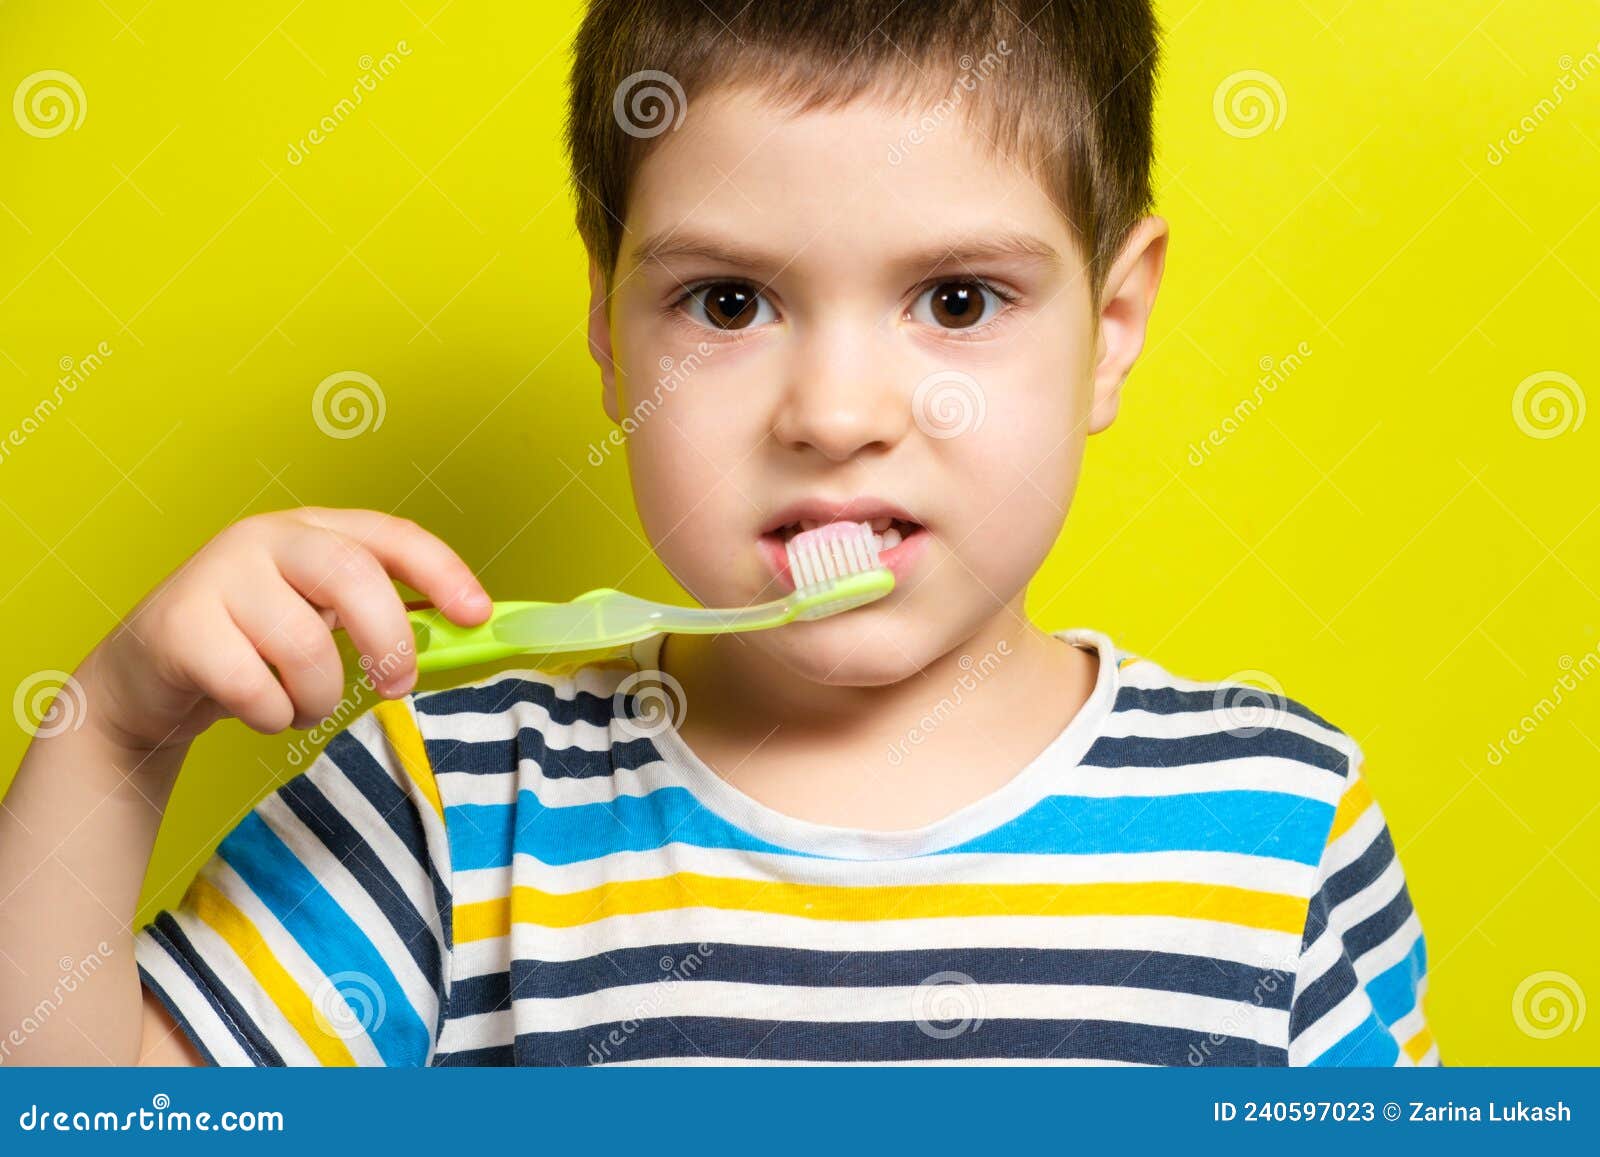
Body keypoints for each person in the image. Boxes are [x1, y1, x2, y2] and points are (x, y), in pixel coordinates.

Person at [0, 0, 1436, 1066]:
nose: (834, 411)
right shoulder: (459, 808)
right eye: (731, 304)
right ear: (609, 333)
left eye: (955, 299)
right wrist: (111, 741)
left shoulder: (1280, 825)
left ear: (1112, 328)